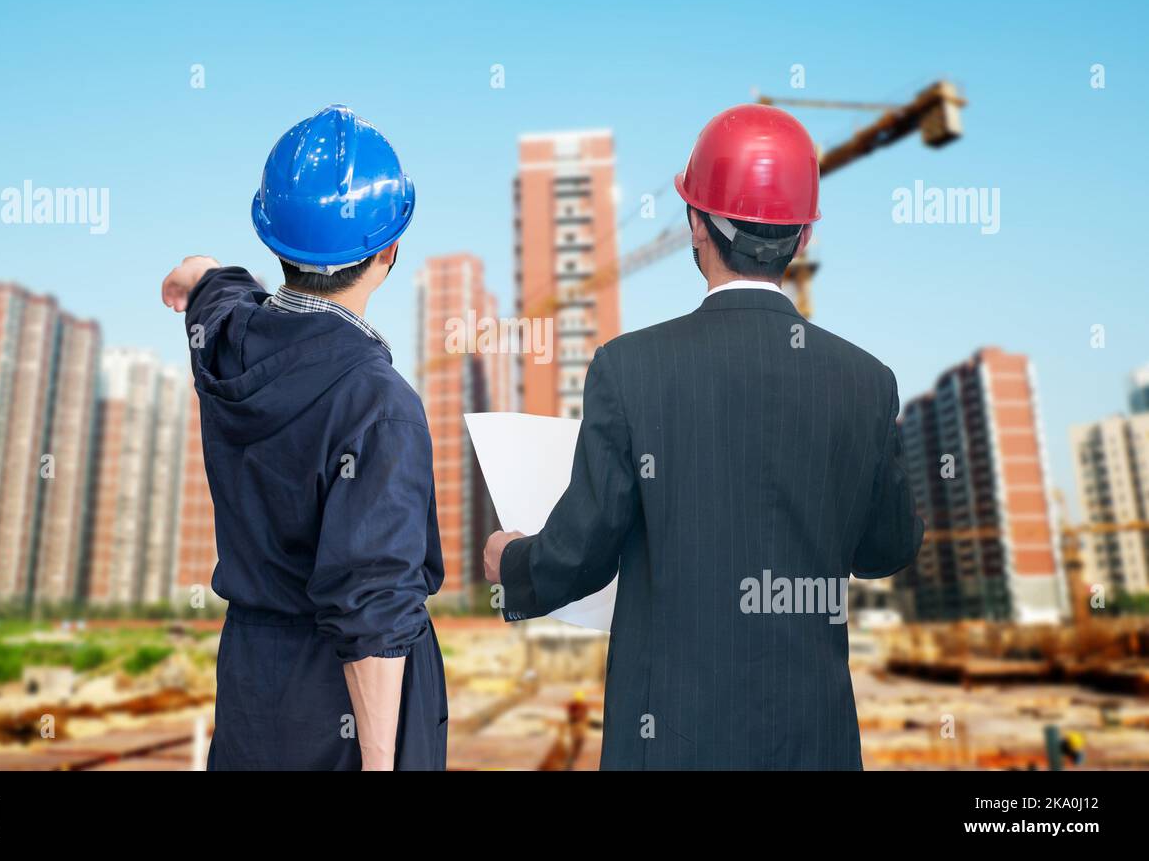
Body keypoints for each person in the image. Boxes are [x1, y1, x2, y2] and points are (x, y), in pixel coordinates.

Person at [484, 104, 924, 770]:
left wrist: (512, 562)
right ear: (803, 237)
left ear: (695, 221)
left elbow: (584, 552)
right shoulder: (867, 383)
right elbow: (889, 546)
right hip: (814, 745)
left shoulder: (630, 368)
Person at [160, 105, 447, 770]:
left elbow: (208, 280)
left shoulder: (228, 338)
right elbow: (372, 613)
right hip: (338, 714)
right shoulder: (380, 405)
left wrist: (189, 273)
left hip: (250, 695)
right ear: (389, 250)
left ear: (275, 242)